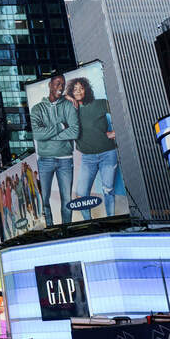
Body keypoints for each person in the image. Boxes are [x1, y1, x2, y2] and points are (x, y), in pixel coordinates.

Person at [30, 72, 79, 226]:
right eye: (57, 83)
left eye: (63, 84)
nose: (61, 87)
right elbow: (37, 134)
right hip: (44, 160)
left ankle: (67, 229)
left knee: (67, 199)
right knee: (43, 199)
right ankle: (50, 229)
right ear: (50, 85)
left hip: (65, 159)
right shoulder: (37, 109)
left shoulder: (68, 106)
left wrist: (50, 136)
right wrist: (60, 126)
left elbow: (75, 131)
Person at [69, 76, 119, 220]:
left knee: (108, 189)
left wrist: (116, 132)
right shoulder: (70, 112)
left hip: (107, 154)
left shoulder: (99, 104)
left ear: (86, 90)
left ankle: (111, 219)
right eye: (74, 89)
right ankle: (89, 223)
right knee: (81, 194)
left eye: (81, 88)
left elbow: (120, 112)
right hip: (88, 158)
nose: (78, 91)